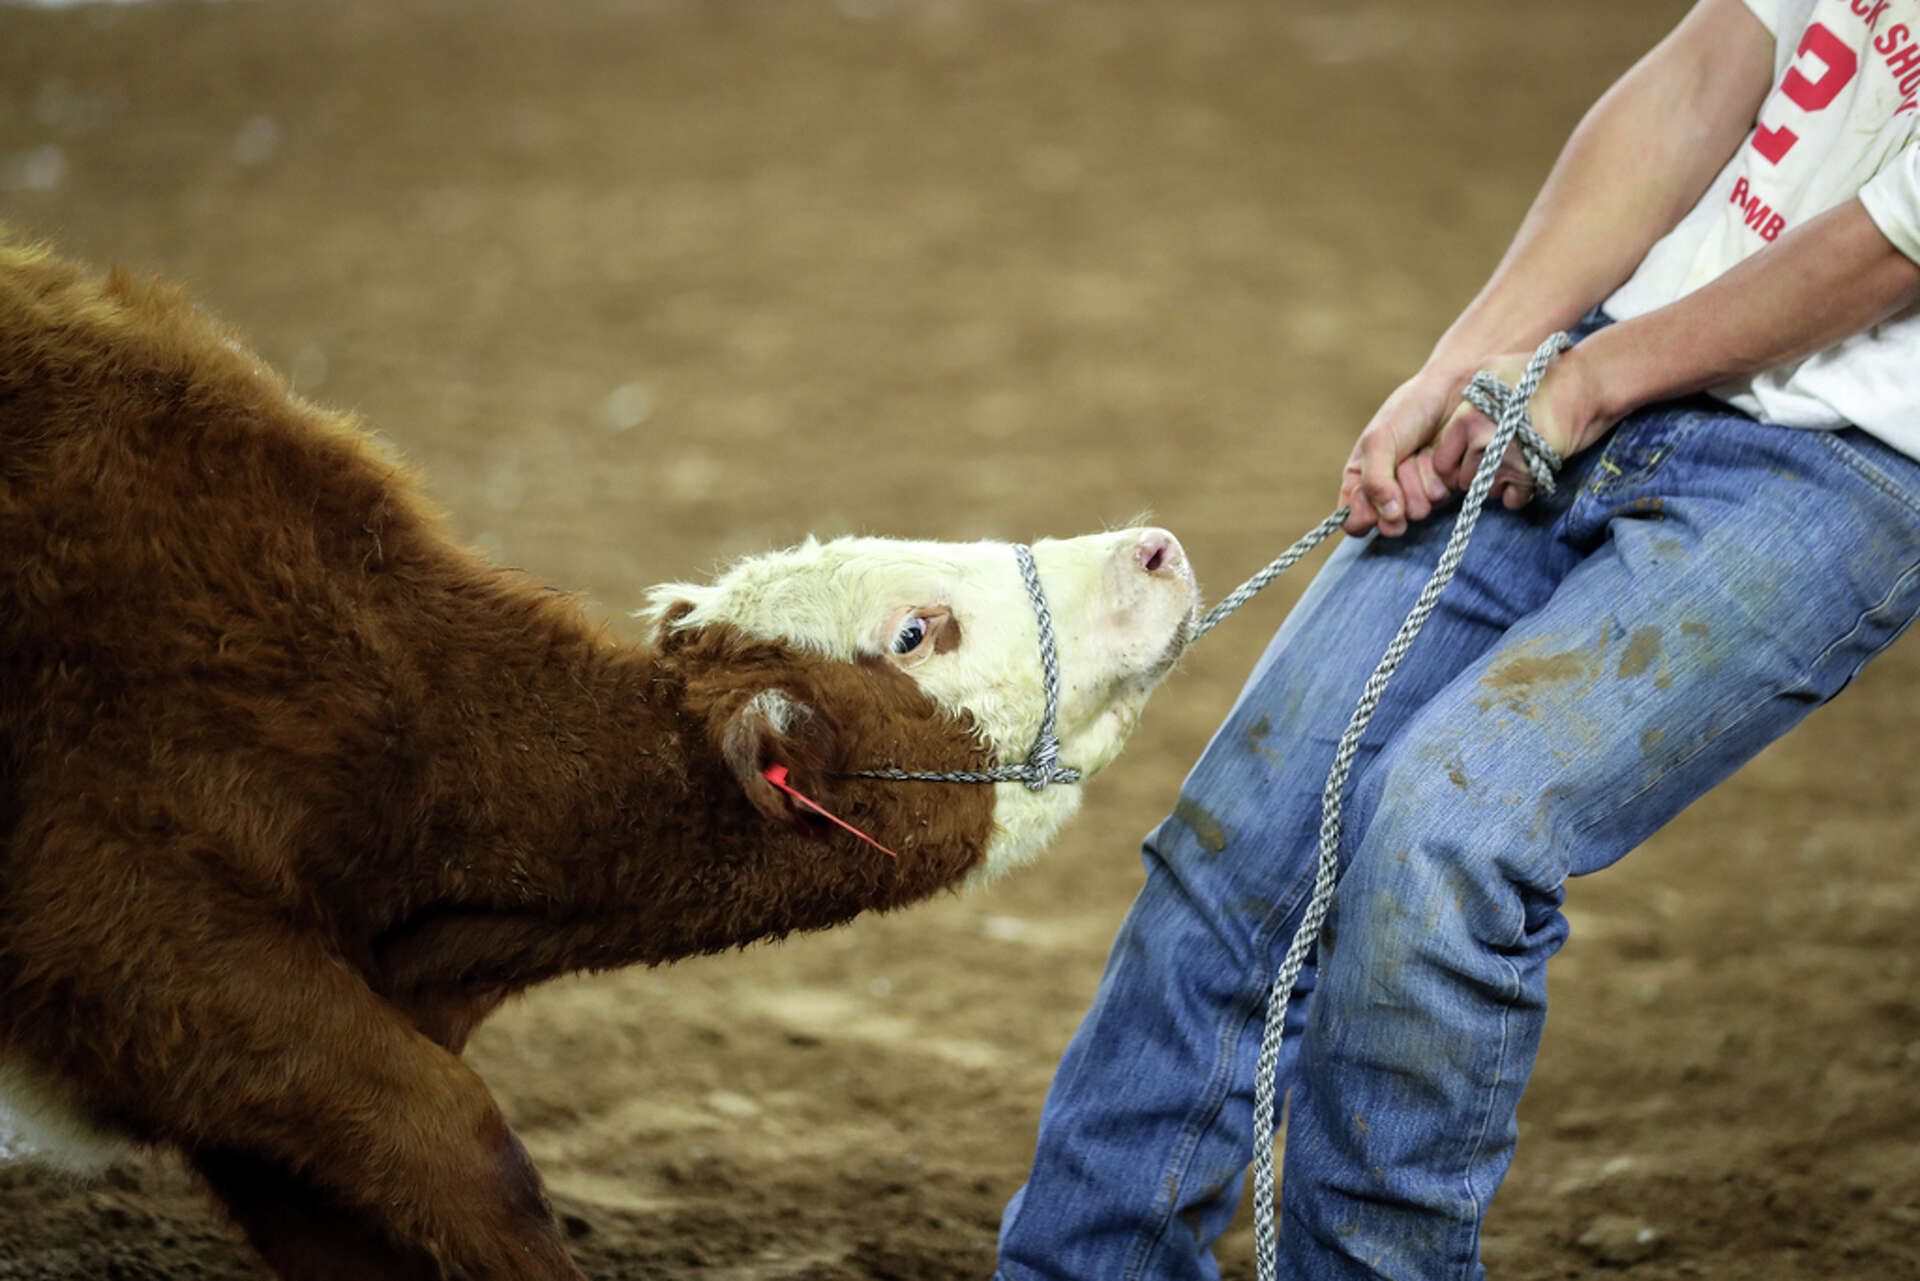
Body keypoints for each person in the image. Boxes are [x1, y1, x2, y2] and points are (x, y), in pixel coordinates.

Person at [994, 1, 1920, 1278]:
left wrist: (1592, 379)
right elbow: (1716, 57)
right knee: (1251, 826)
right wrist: (1475, 358)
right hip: (1592, 357)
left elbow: (1894, 241)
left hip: (1847, 462)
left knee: (1446, 836)